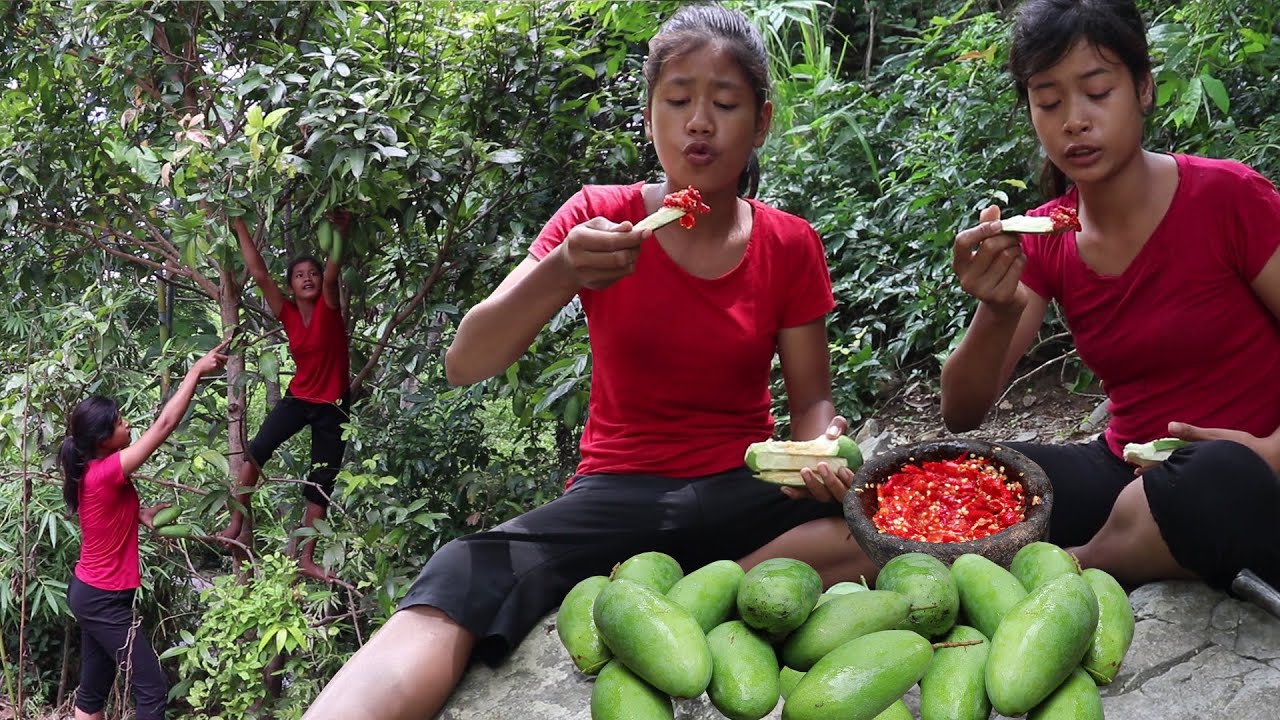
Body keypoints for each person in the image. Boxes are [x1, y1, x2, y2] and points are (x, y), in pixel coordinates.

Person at [302, 5, 874, 718]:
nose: (700, 121)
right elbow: (465, 361)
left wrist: (819, 447)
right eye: (678, 100)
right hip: (617, 492)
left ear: (759, 123)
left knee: (876, 518)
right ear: (648, 115)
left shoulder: (790, 244)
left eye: (725, 103)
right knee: (463, 569)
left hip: (742, 485)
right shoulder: (597, 216)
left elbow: (812, 400)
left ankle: (676, 597)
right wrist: (562, 272)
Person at [941, 0, 1280, 592]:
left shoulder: (1229, 198)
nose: (1074, 120)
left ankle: (1078, 568)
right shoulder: (1048, 235)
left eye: (1097, 92)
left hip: (1249, 466)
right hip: (1126, 464)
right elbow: (961, 411)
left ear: (1144, 89)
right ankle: (1108, 549)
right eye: (1049, 102)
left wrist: (1272, 451)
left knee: (1213, 479)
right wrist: (996, 311)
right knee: (960, 472)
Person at [61, 343, 228, 720]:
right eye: (121, 423)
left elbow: (105, 516)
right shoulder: (106, 472)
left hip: (92, 593)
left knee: (91, 697)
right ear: (104, 440)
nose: (128, 425)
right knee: (152, 690)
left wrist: (139, 514)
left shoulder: (93, 473)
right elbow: (165, 425)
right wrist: (195, 372)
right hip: (103, 599)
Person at [217, 212, 352, 582]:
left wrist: (341, 229)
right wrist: (240, 224)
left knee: (321, 481)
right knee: (257, 449)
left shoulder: (329, 304)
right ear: (291, 286)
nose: (308, 278)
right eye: (299, 275)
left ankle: (307, 557)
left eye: (312, 272)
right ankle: (236, 520)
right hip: (299, 398)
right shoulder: (288, 313)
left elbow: (333, 267)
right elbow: (259, 273)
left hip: (333, 406)